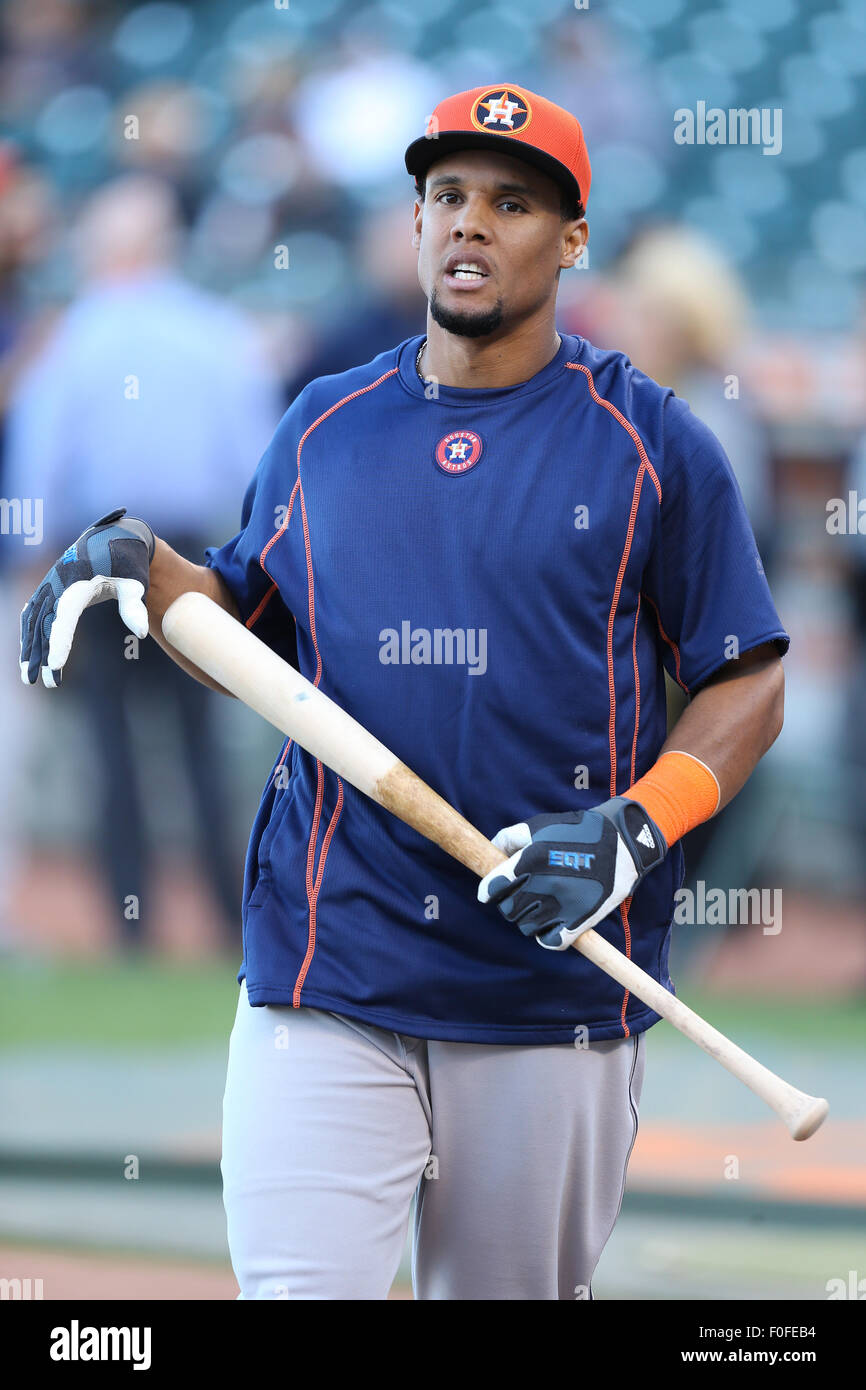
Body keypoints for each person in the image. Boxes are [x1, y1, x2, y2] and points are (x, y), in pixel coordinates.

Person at [19, 85, 788, 1299]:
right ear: (416, 219)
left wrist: (631, 829)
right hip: (330, 961)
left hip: (550, 978)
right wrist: (138, 566)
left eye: (510, 201)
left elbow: (746, 676)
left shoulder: (650, 443)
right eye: (445, 197)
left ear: (571, 237)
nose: (468, 224)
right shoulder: (323, 425)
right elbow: (239, 621)